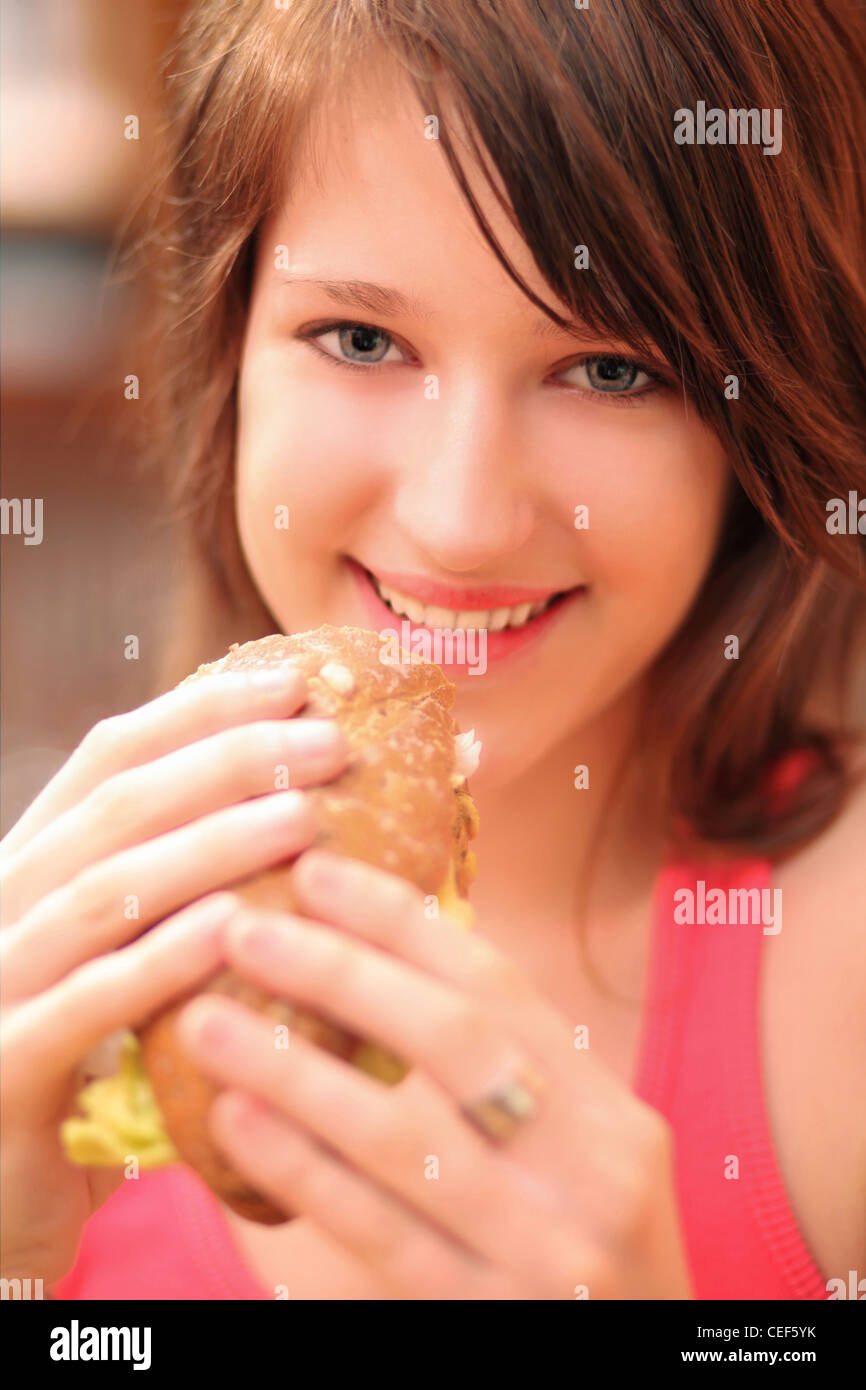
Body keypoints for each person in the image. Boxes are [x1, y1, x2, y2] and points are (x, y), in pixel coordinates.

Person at [2, 0, 864, 1300]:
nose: (459, 523)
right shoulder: (57, 966)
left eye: (613, 369)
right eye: (360, 339)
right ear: (225, 352)